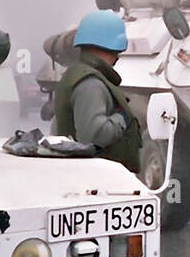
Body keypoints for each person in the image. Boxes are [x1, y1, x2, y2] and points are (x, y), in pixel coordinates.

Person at [52, 10, 143, 172]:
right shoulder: (91, 84)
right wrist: (121, 117)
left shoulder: (80, 74)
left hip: (86, 176)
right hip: (93, 178)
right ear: (115, 46)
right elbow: (93, 136)